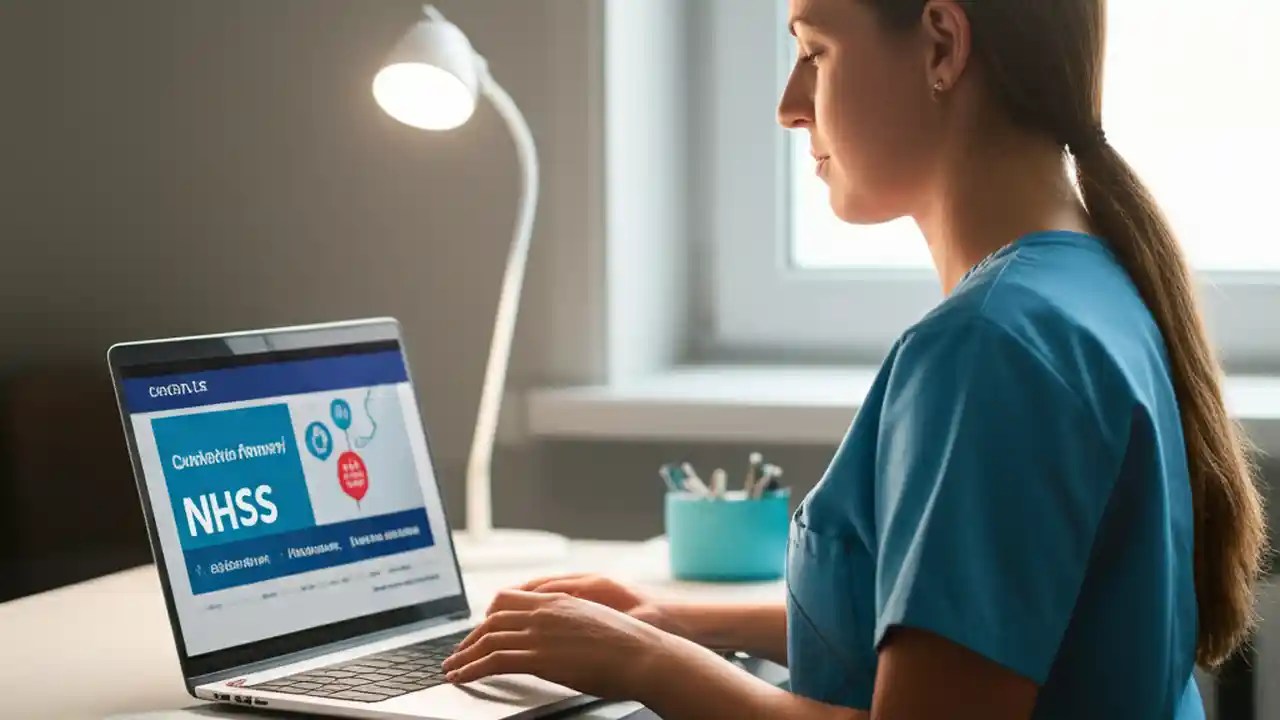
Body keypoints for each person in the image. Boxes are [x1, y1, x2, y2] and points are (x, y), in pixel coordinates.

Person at [442, 0, 1269, 717]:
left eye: (813, 51)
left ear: (942, 44)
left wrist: (637, 661)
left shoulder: (991, 348)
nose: (789, 106)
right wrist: (673, 619)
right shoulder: (1088, 284)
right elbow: (964, 641)